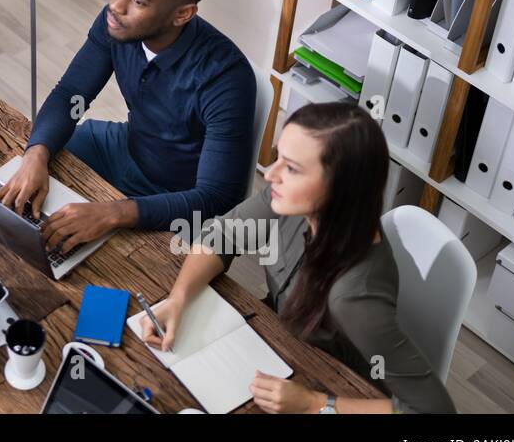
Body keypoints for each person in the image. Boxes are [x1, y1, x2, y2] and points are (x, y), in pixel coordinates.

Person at [140, 102, 457, 414]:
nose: (271, 173)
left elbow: (434, 410)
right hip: (273, 348)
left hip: (329, 388)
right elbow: (223, 235)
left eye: (291, 168)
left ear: (339, 187)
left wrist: (313, 404)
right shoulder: (298, 203)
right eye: (278, 157)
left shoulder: (353, 296)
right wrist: (178, 299)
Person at [0, 0, 255, 252]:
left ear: (182, 14)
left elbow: (217, 197)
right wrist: (37, 153)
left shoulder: (227, 79)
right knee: (18, 173)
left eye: (138, 0)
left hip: (179, 196)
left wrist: (114, 213)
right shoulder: (117, 23)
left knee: (109, 264)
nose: (116, 5)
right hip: (123, 147)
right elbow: (71, 93)